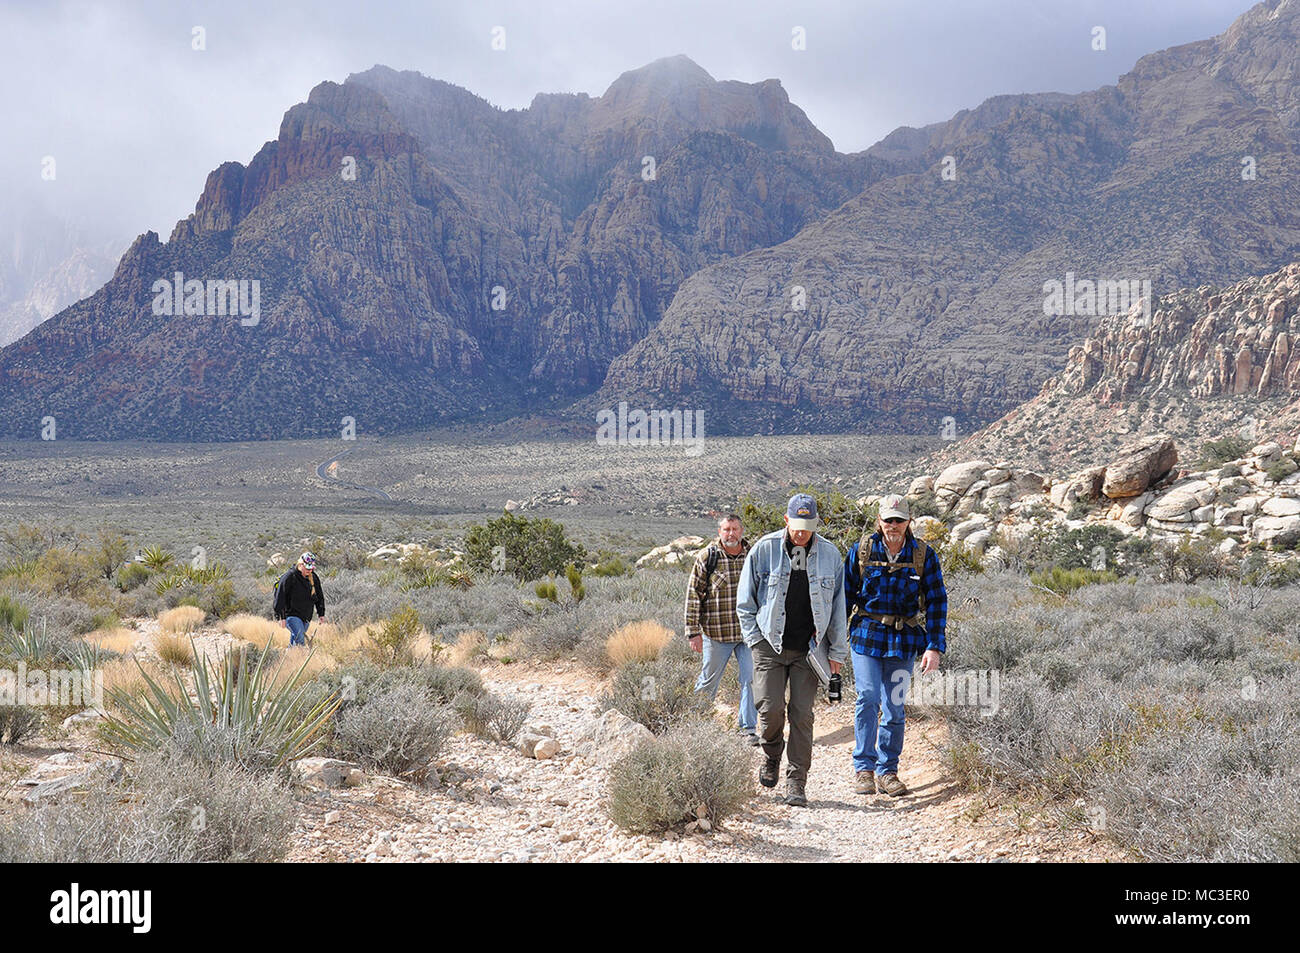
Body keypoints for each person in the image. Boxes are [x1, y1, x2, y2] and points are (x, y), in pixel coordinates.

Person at [736, 493, 847, 807]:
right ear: (786, 520)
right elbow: (745, 604)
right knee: (770, 711)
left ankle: (796, 782)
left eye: (808, 525)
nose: (802, 532)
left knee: (802, 715)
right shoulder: (765, 549)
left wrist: (836, 654)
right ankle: (772, 755)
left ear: (815, 524)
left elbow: (838, 608)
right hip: (769, 646)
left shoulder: (829, 555)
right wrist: (755, 640)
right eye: (796, 525)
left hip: (808, 651)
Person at [843, 494, 947, 797]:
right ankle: (864, 768)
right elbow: (845, 596)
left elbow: (937, 600)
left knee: (894, 707)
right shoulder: (862, 550)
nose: (893, 525)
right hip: (866, 634)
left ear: (908, 522)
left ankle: (888, 772)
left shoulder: (924, 555)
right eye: (888, 520)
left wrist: (934, 646)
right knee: (868, 697)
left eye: (899, 520)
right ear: (879, 520)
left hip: (904, 640)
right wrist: (833, 640)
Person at [684, 513, 758, 744]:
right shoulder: (708, 557)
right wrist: (693, 632)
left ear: (741, 530)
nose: (731, 533)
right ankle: (695, 724)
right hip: (717, 634)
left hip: (748, 633)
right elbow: (693, 595)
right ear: (719, 532)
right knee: (708, 681)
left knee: (752, 680)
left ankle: (747, 729)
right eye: (726, 529)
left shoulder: (753, 555)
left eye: (735, 529)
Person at [273, 551, 326, 647]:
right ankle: (300, 658)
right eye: (307, 568)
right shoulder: (290, 577)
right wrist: (281, 616)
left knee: (295, 641)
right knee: (300, 638)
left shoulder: (313, 577)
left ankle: (289, 658)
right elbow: (280, 596)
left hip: (306, 616)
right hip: (291, 615)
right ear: (301, 565)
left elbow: (319, 596)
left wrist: (321, 613)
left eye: (311, 568)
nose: (309, 570)